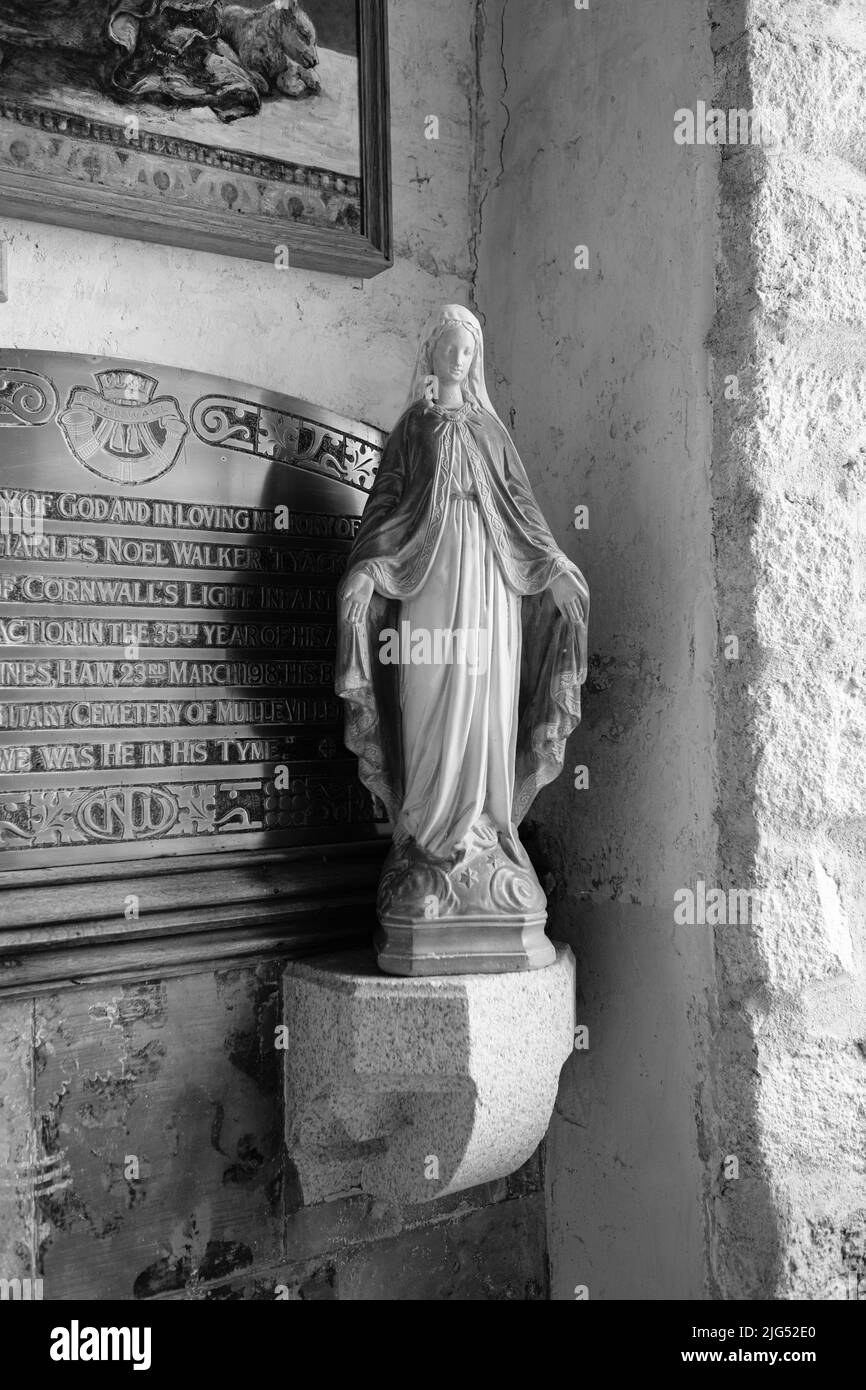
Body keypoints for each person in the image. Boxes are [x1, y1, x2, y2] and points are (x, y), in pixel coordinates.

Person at [336, 305, 589, 974]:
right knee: (427, 702)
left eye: (469, 350)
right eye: (450, 346)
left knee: (484, 702)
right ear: (433, 350)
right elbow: (386, 507)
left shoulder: (489, 430)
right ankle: (425, 836)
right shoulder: (413, 428)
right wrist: (366, 568)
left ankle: (485, 833)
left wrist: (555, 567)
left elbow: (523, 513)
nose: (459, 359)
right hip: (427, 584)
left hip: (491, 584)